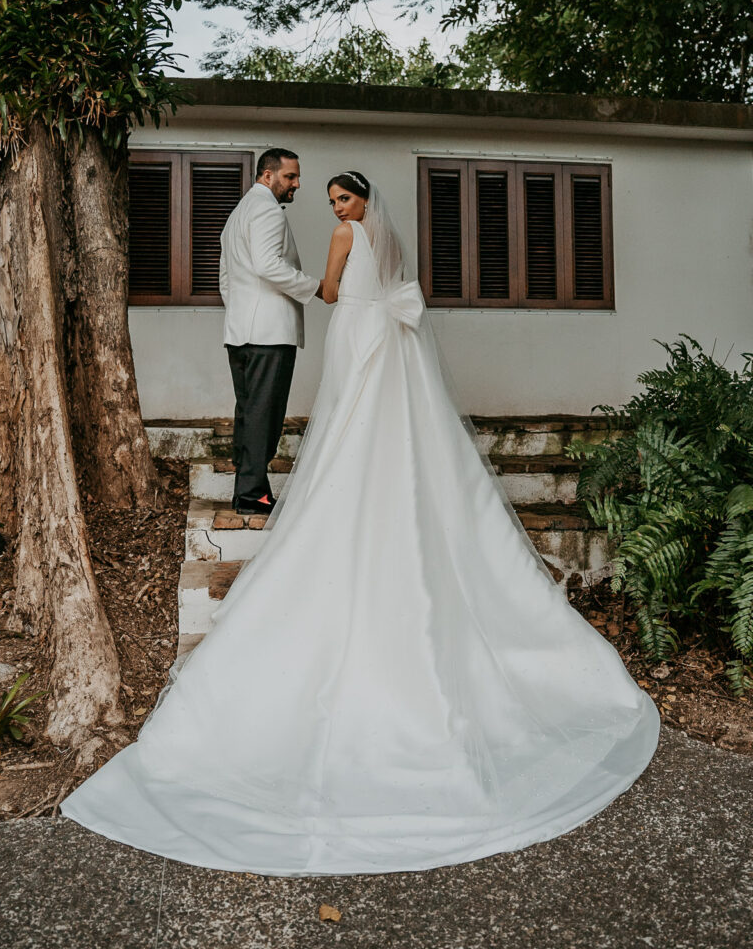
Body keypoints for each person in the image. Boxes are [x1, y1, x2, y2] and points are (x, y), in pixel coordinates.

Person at [62, 171, 660, 876]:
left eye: (341, 199)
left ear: (359, 199)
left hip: (359, 330)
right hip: (393, 337)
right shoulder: (393, 234)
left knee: (350, 421)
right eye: (331, 203)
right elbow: (395, 284)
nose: (337, 210)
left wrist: (328, 279)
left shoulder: (348, 236)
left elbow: (328, 292)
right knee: (395, 426)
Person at [219, 147, 321, 516]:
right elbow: (268, 265)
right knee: (265, 413)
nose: (296, 183)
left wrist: (241, 313)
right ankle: (252, 495)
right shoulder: (266, 210)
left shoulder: (238, 213)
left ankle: (246, 487)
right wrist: (314, 287)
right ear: (268, 176)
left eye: (296, 176)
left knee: (250, 411)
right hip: (269, 334)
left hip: (241, 331)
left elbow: (226, 279)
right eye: (290, 176)